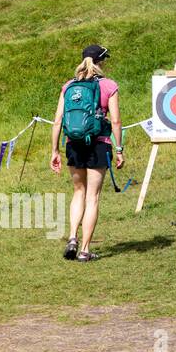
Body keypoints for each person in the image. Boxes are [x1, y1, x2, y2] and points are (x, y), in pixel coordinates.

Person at [49, 45, 124, 262]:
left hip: (73, 143)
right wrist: (119, 150)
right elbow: (116, 121)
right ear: (101, 62)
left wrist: (55, 150)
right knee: (93, 197)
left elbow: (57, 121)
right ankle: (84, 250)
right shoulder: (109, 85)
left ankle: (72, 237)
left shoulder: (69, 86)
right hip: (98, 144)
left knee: (78, 192)